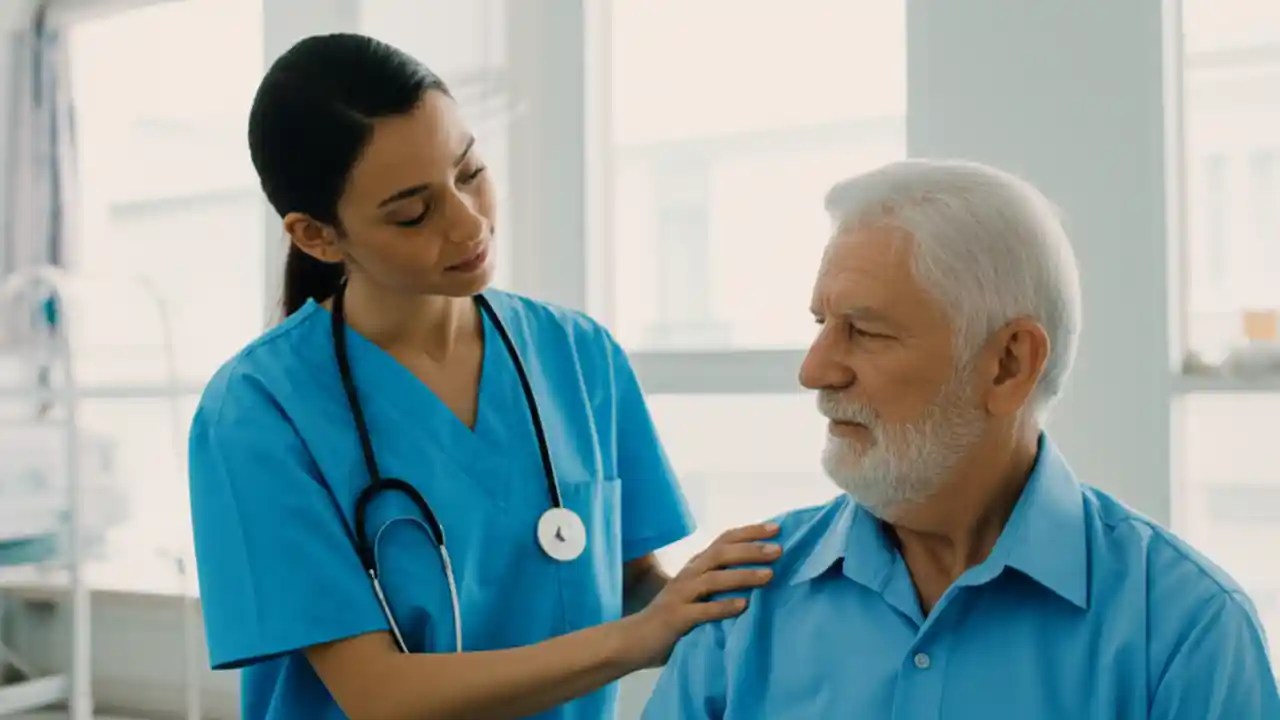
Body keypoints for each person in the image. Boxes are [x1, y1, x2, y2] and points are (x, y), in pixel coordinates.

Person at [186, 33, 781, 720]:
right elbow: (377, 695)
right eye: (413, 212)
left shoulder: (577, 354)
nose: (469, 223)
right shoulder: (258, 411)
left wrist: (721, 606)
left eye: (469, 173)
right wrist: (638, 638)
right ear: (318, 236)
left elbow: (628, 582)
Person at [643, 160, 1280, 719]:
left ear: (1008, 363)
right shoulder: (742, 602)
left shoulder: (1188, 629)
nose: (815, 370)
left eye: (865, 331)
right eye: (821, 323)